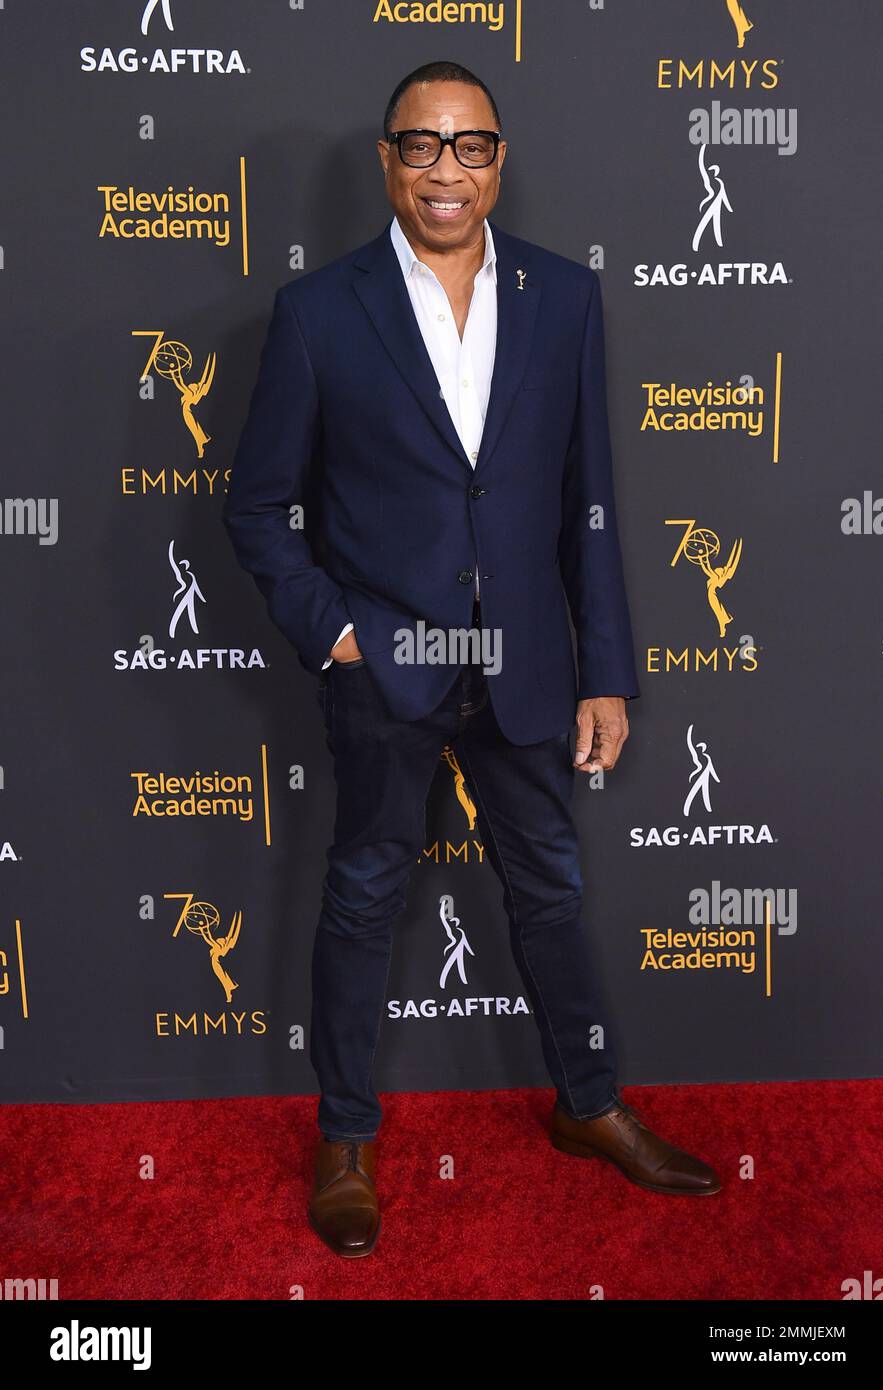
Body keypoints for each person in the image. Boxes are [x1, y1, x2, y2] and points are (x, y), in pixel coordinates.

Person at [223, 60, 722, 1259]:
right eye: (421, 145)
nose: (446, 170)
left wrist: (605, 668)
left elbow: (584, 503)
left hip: (525, 667)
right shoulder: (317, 313)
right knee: (362, 896)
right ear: (388, 161)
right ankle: (345, 1135)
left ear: (498, 160)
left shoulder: (565, 297)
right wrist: (335, 630)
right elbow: (256, 507)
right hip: (383, 663)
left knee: (548, 885)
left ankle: (587, 1103)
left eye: (470, 146)